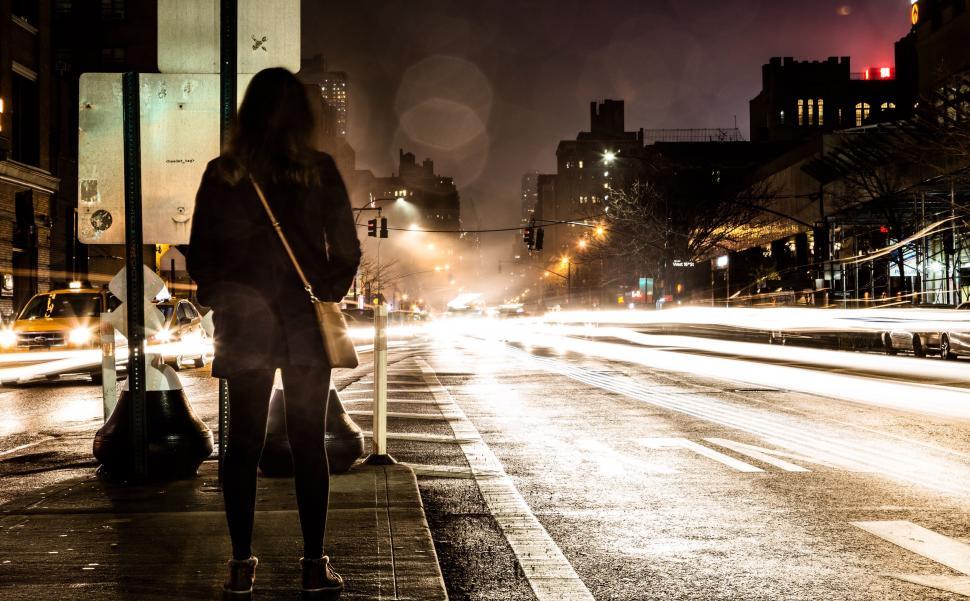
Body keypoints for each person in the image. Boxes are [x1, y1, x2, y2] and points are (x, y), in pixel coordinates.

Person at [187, 67, 361, 601]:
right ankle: (313, 565)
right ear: (301, 117)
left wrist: (227, 297)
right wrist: (322, 292)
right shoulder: (320, 170)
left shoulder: (225, 172)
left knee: (242, 445)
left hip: (246, 326)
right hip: (304, 325)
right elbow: (348, 250)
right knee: (309, 442)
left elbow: (201, 254)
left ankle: (241, 565)